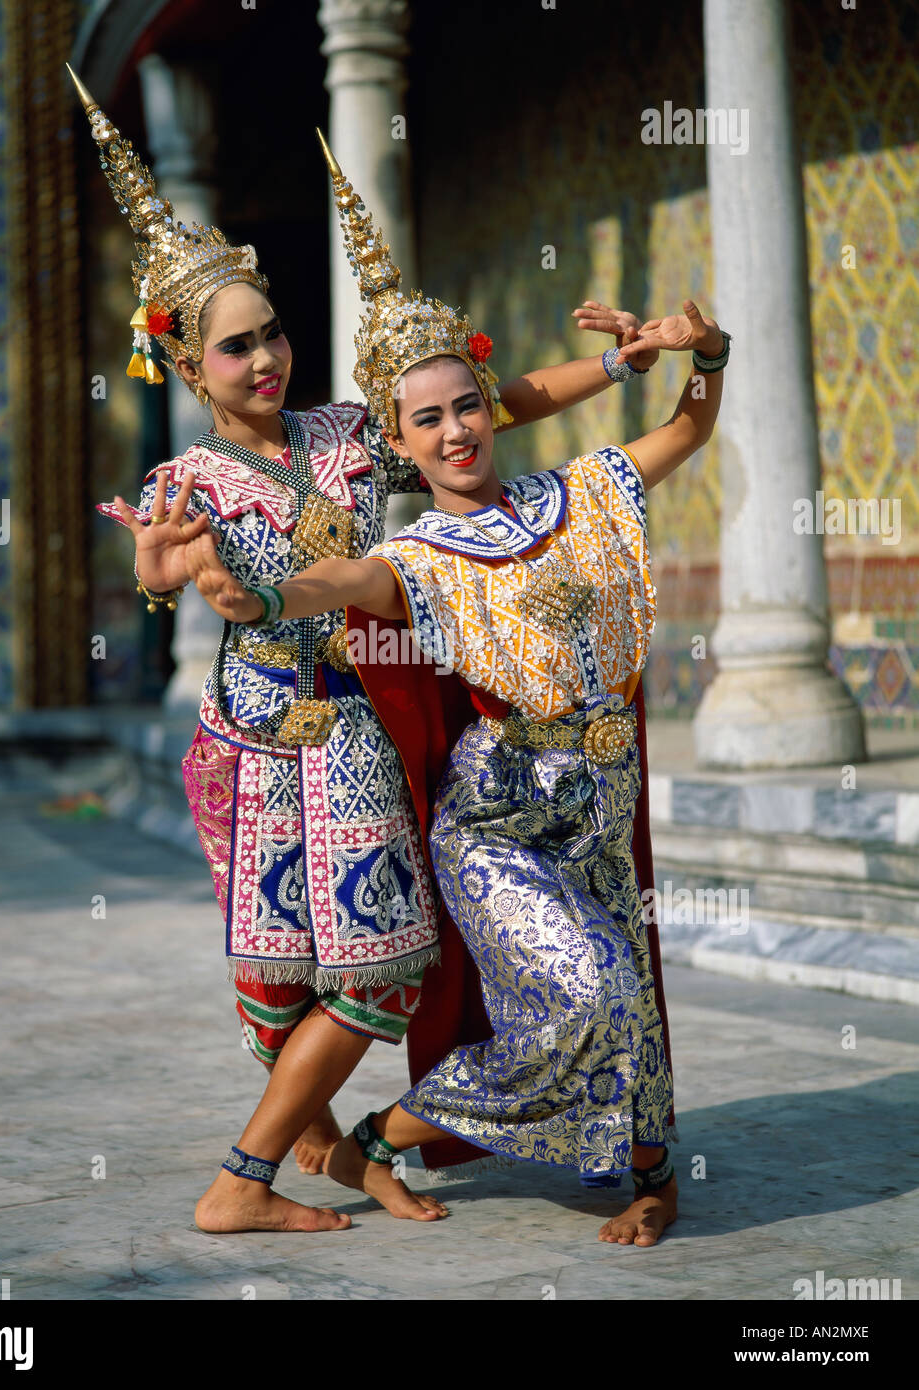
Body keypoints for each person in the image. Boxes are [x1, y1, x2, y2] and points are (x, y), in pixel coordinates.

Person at [69, 71, 655, 1233]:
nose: (265, 359)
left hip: (352, 737)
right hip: (249, 747)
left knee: (383, 968)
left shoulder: (345, 433)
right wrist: (170, 566)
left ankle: (255, 1176)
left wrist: (625, 370)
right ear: (187, 368)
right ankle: (303, 1170)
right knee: (277, 985)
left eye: (272, 331)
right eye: (235, 349)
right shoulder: (182, 482)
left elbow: (500, 398)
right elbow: (159, 572)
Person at [181, 140, 729, 1248]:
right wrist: (251, 584)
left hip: (598, 795)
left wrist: (698, 354)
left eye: (466, 406)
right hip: (487, 811)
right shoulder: (421, 554)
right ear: (397, 442)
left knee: (625, 992)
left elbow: (682, 428)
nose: (456, 429)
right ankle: (382, 1132)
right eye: (426, 421)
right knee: (567, 985)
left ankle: (646, 1167)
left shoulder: (571, 492)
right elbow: (345, 576)